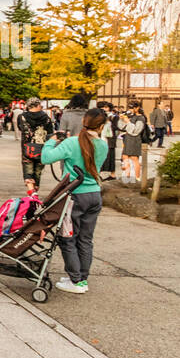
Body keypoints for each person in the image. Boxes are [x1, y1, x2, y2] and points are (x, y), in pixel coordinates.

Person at [42, 108, 109, 294]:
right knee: (86, 239)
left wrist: (52, 141)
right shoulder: (102, 145)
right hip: (94, 194)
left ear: (83, 122)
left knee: (68, 237)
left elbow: (46, 157)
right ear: (102, 126)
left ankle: (75, 279)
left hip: (73, 195)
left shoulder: (72, 143)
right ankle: (82, 279)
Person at [15, 98, 55, 194]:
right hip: (41, 148)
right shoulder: (46, 118)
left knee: (28, 170)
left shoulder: (22, 117)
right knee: (38, 170)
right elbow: (50, 133)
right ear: (38, 105)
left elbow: (20, 128)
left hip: (27, 147)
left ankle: (31, 192)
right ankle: (36, 189)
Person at [119, 100, 147, 184]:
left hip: (135, 139)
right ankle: (127, 177)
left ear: (137, 108)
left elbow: (136, 131)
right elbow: (122, 127)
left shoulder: (141, 118)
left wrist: (127, 121)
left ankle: (137, 178)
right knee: (125, 157)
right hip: (128, 138)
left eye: (132, 108)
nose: (130, 110)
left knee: (135, 158)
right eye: (130, 108)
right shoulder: (132, 116)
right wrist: (122, 119)